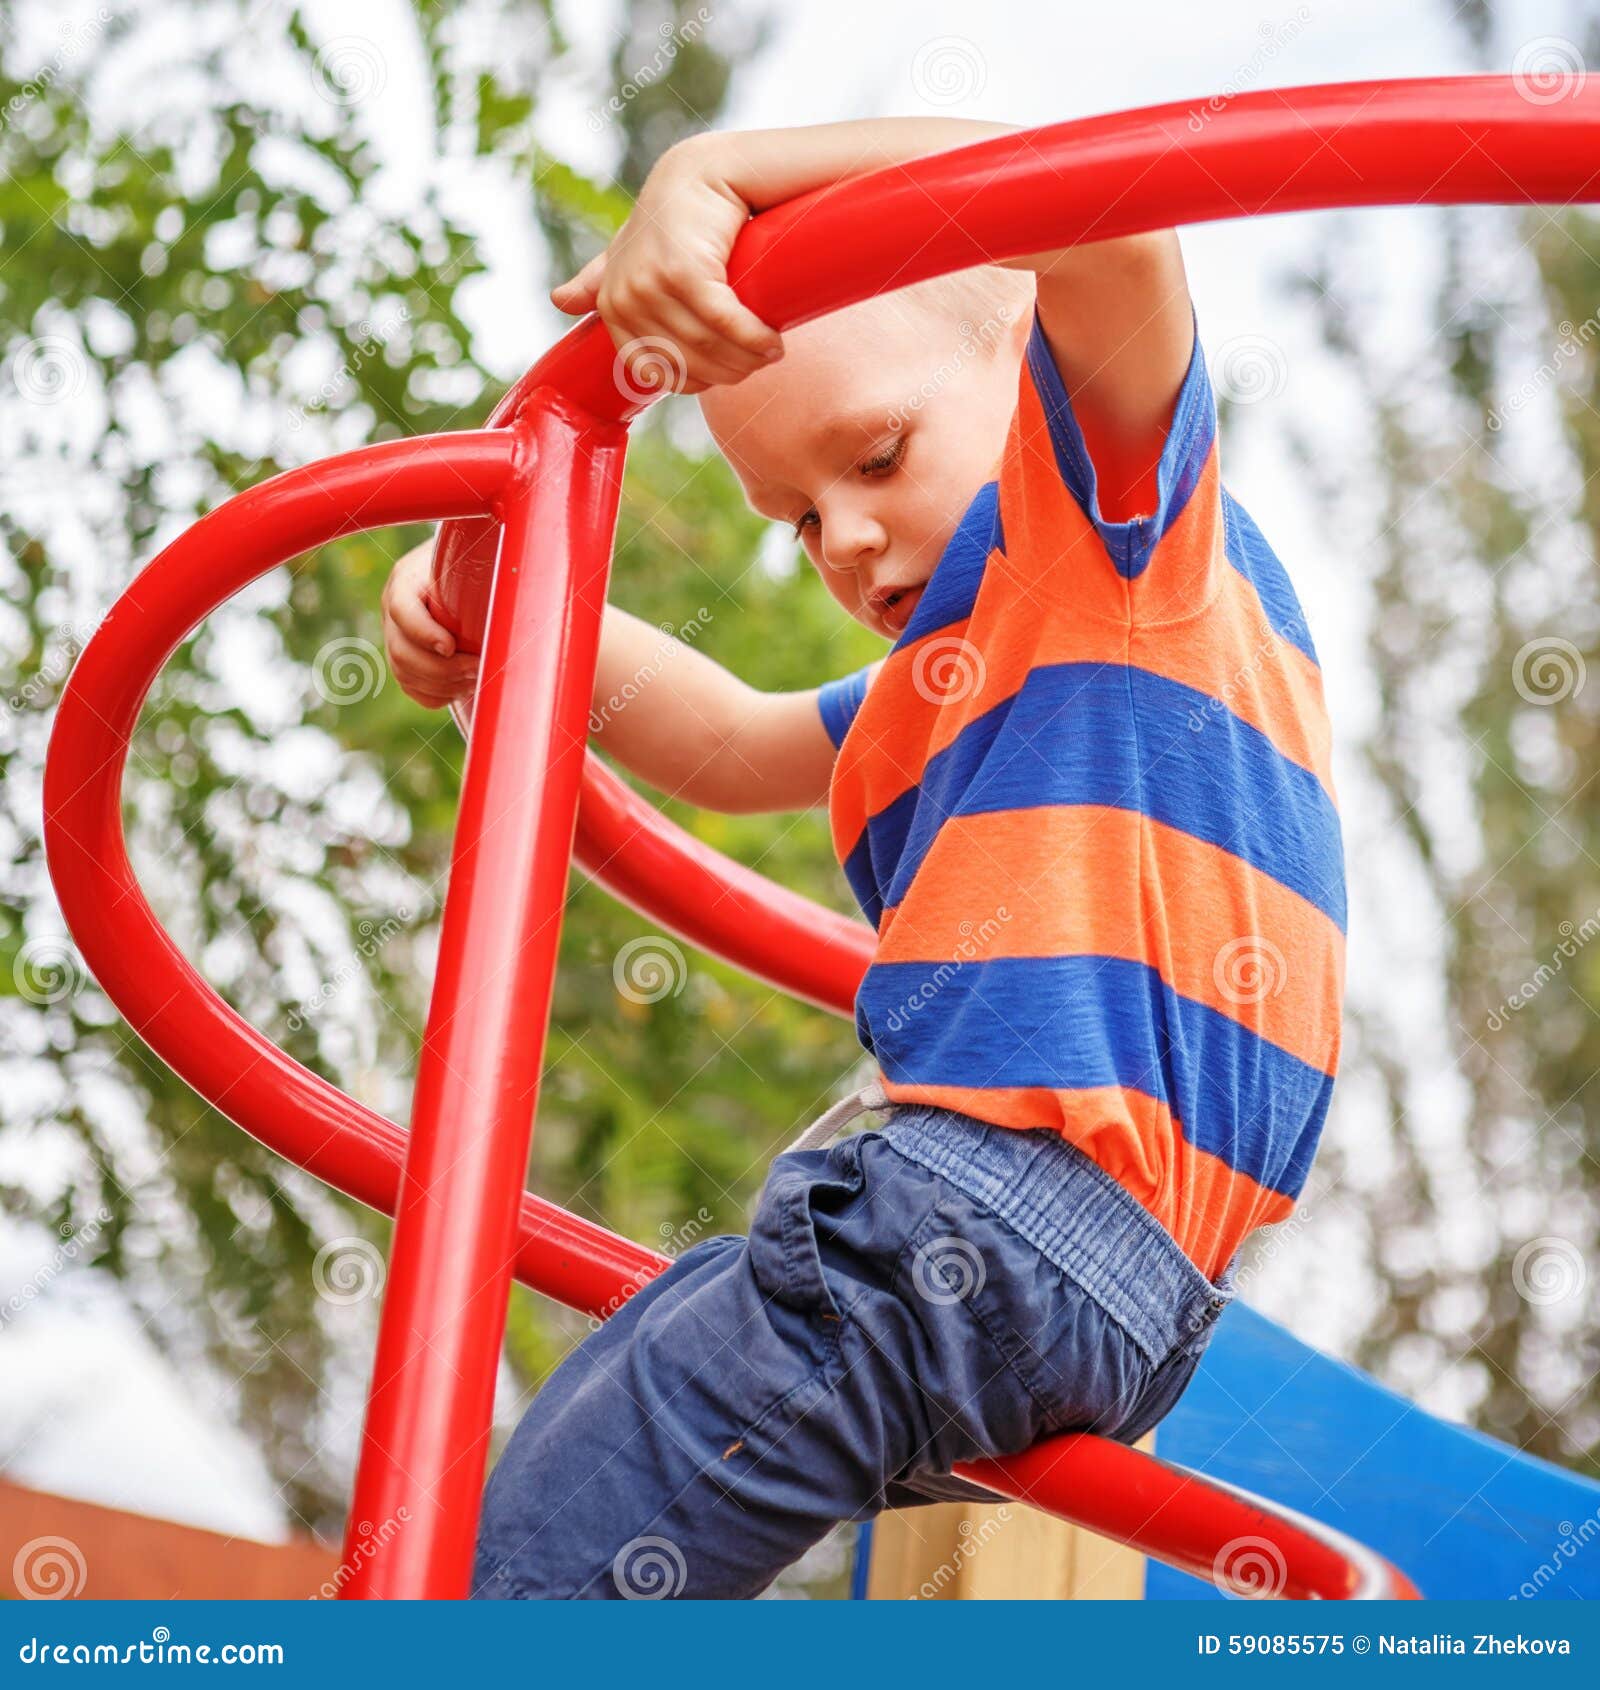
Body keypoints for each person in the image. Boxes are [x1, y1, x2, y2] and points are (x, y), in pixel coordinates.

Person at [380, 116, 1346, 1600]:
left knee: (643, 1445)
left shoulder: (1105, 539)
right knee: (683, 1335)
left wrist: (718, 174)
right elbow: (725, 741)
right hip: (1107, 1287)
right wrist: (517, 598)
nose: (839, 537)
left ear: (1033, 364)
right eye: (793, 518)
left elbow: (1112, 222)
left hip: (1011, 1212)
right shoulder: (965, 667)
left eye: (876, 457)